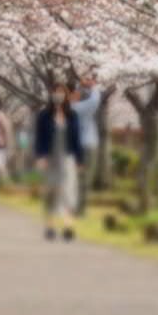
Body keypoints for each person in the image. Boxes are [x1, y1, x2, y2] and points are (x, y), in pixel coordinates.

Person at [35, 79, 84, 241]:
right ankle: (50, 226)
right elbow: (39, 138)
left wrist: (80, 160)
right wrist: (40, 156)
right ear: (52, 95)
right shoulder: (44, 115)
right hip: (50, 158)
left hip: (68, 158)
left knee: (68, 191)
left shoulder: (73, 115)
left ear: (66, 96)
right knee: (51, 192)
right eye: (56, 92)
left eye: (62, 92)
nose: (59, 95)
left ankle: (68, 226)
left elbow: (77, 138)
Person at [71, 76, 103, 215]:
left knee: (77, 177)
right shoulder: (78, 108)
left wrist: (84, 86)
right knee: (85, 178)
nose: (78, 93)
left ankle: (75, 206)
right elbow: (95, 100)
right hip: (87, 145)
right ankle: (80, 209)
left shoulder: (69, 108)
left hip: (76, 146)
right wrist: (93, 86)